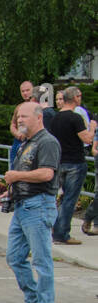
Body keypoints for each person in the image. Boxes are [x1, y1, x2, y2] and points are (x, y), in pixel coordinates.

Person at [2, 102, 60, 303]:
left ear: (39, 117)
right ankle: (33, 301)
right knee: (14, 257)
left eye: (24, 116)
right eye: (17, 117)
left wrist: (16, 177)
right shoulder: (27, 143)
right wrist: (11, 191)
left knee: (41, 259)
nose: (19, 120)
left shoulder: (47, 142)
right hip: (22, 205)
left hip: (38, 205)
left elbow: (46, 174)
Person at [47, 86, 96, 245]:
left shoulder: (55, 118)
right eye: (79, 96)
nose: (80, 98)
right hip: (75, 162)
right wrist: (93, 127)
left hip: (60, 161)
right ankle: (62, 233)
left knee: (61, 198)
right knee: (70, 199)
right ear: (75, 98)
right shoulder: (75, 118)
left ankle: (56, 228)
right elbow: (87, 139)